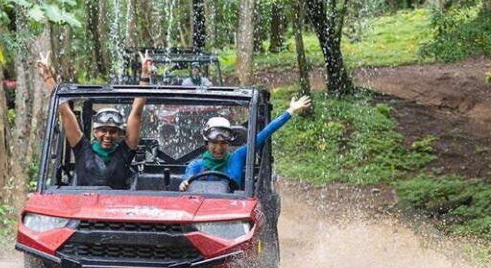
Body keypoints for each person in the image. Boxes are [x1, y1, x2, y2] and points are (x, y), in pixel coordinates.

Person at [37, 52, 153, 189]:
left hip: (117, 206)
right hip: (85, 206)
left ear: (120, 134)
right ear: (95, 132)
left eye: (113, 131)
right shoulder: (83, 149)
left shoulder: (124, 152)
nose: (108, 135)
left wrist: (145, 76)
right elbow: (65, 112)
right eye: (103, 130)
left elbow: (136, 114)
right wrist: (47, 77)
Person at [179, 95, 312, 191]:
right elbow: (186, 180)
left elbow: (265, 133)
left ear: (228, 143)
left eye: (223, 143)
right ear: (206, 143)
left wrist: (290, 111)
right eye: (214, 143)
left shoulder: (238, 156)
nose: (219, 148)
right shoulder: (196, 165)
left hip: (234, 212)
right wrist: (184, 184)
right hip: (203, 213)